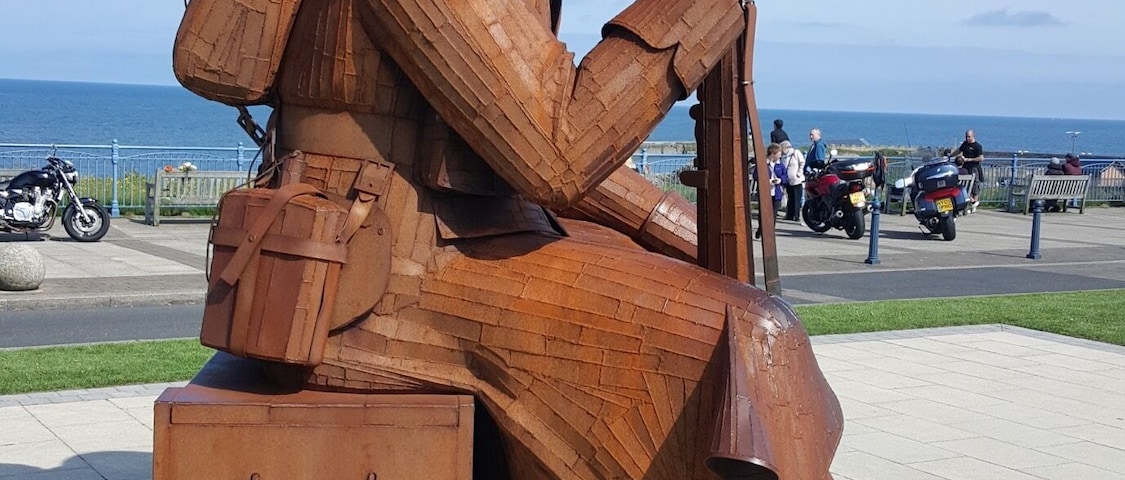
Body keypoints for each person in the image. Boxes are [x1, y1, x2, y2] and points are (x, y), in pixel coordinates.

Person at [173, 1, 842, 479]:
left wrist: (668, 224)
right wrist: (691, 14)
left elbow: (496, 145)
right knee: (755, 333)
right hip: (369, 286)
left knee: (673, 276)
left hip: (395, 248)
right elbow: (556, 150)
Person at [754, 143, 788, 238]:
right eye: (779, 153)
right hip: (765, 192)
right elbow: (756, 175)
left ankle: (769, 232)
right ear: (773, 153)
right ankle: (761, 229)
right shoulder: (763, 164)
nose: (780, 155)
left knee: (773, 214)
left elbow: (786, 177)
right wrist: (766, 181)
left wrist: (780, 180)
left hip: (776, 192)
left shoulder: (780, 165)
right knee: (763, 213)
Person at [954, 129, 985, 209]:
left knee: (975, 186)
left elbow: (981, 158)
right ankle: (970, 202)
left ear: (973, 136)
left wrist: (969, 159)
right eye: (966, 137)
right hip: (966, 167)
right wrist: (950, 155)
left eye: (969, 137)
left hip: (974, 167)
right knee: (965, 184)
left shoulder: (978, 146)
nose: (967, 138)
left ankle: (974, 205)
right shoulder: (964, 144)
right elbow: (958, 151)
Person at [781, 140, 805, 221]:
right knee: (790, 198)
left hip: (796, 180)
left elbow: (802, 162)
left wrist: (799, 173)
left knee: (796, 198)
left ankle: (796, 216)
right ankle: (789, 215)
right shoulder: (784, 156)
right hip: (788, 180)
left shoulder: (795, 152)